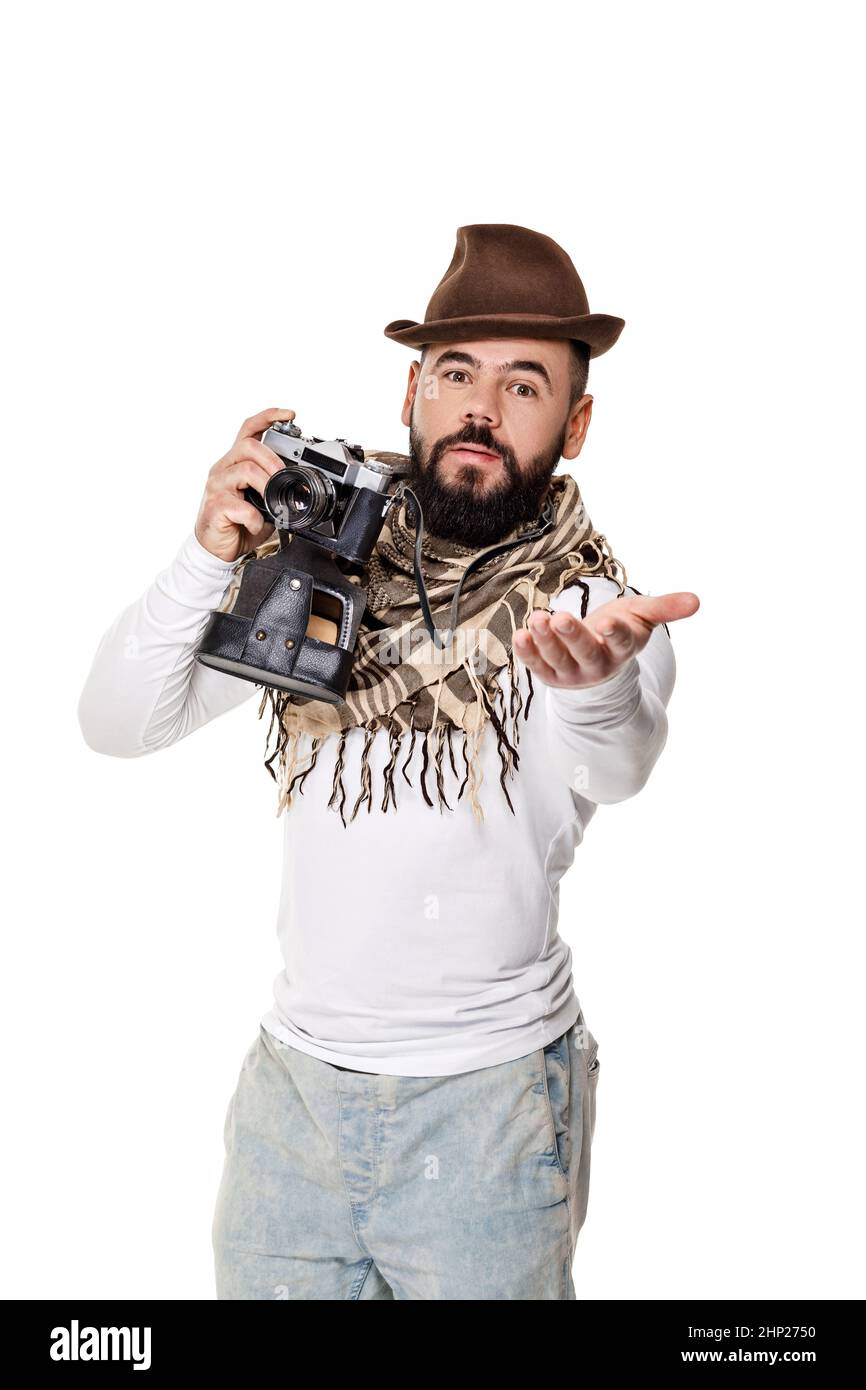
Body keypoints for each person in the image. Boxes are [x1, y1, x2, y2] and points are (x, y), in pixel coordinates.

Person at [77, 223, 699, 1300]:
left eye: (523, 385)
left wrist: (592, 681)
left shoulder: (588, 605)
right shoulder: (320, 563)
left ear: (575, 421)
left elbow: (619, 762)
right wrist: (203, 554)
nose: (481, 410)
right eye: (457, 374)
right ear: (411, 389)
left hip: (486, 1106)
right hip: (293, 1105)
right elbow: (116, 722)